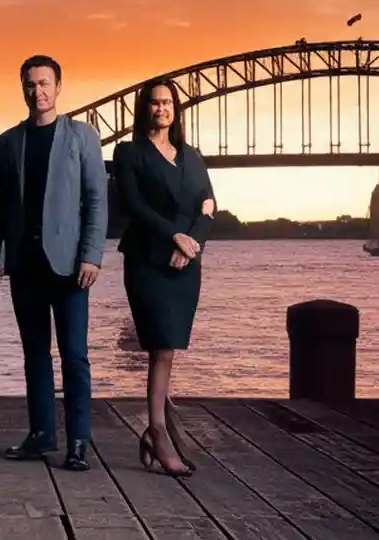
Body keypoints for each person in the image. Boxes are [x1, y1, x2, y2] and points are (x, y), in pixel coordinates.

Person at [0, 54, 108, 472]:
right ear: (23, 89)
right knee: (34, 353)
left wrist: (92, 255)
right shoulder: (8, 142)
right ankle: (41, 435)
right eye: (30, 84)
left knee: (74, 355)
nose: (38, 91)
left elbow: (95, 201)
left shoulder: (82, 137)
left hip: (71, 265)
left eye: (44, 83)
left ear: (58, 87)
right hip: (25, 263)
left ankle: (77, 441)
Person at [111, 77, 216, 477]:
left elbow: (208, 207)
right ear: (144, 109)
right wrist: (173, 235)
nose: (161, 109)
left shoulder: (192, 155)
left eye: (168, 103)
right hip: (147, 259)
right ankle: (157, 430)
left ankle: (157, 430)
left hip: (186, 263)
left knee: (170, 347)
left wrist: (191, 244)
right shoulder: (129, 153)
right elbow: (134, 206)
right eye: (154, 103)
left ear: (176, 108)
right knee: (160, 347)